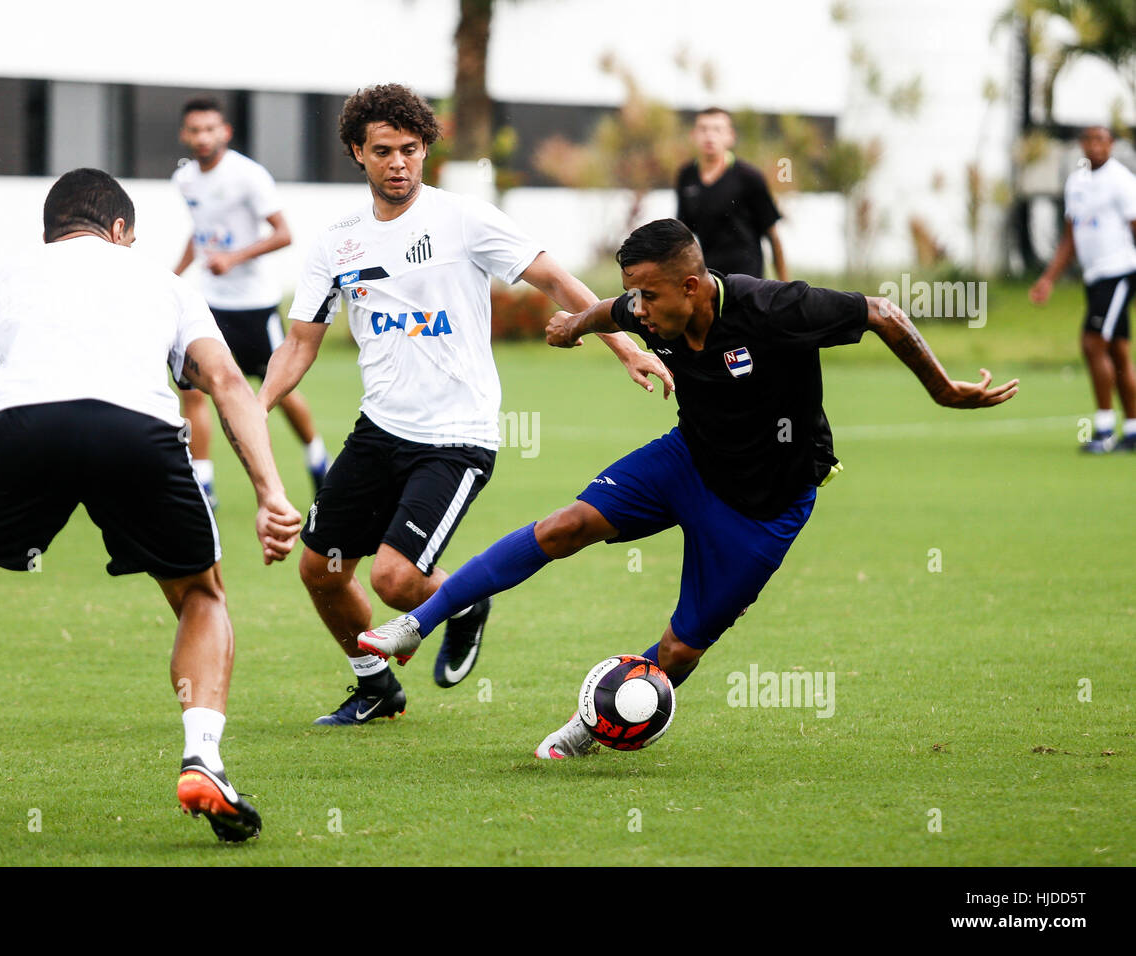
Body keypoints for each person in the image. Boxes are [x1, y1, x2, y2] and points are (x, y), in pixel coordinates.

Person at [359, 218, 1018, 757]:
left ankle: (594, 724)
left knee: (678, 651)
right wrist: (574, 326)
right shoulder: (650, 309)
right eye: (634, 297)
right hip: (687, 462)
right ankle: (420, 621)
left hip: (763, 509)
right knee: (565, 525)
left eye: (649, 296)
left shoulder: (772, 308)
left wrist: (943, 389)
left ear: (695, 287)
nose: (639, 310)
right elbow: (607, 311)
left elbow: (881, 311)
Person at [0, 168, 301, 843]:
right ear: (120, 232)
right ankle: (203, 759)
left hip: (22, 429)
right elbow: (226, 381)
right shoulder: (162, 281)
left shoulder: (9, 273)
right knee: (202, 595)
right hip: (135, 432)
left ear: (50, 232)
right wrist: (271, 493)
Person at [259, 83, 672, 725]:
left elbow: (558, 280)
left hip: (456, 436)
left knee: (394, 581)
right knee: (321, 570)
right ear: (356, 154)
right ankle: (376, 687)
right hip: (379, 430)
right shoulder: (336, 242)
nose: (399, 162)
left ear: (426, 151)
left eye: (411, 149)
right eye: (383, 151)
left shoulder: (463, 219)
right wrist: (254, 407)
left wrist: (625, 348)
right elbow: (299, 343)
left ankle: (464, 601)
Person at [172, 97, 330, 504]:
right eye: (195, 130)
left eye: (211, 129)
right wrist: (173, 277)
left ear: (224, 132)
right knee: (192, 390)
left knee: (279, 390)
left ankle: (316, 456)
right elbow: (200, 231)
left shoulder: (248, 175)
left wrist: (234, 257)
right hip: (209, 305)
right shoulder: (186, 179)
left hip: (254, 306)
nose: (202, 137)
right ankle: (203, 484)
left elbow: (284, 233)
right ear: (184, 135)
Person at [1030, 125, 1136, 453]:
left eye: (1102, 140)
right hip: (1093, 277)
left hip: (1119, 272)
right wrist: (1048, 278)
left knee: (1092, 344)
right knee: (1117, 352)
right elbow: (1070, 238)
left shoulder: (1122, 181)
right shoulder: (1076, 183)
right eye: (1089, 139)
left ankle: (1104, 430)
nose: (1095, 145)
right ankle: (1132, 431)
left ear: (1111, 145)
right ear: (1081, 144)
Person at [675, 107, 788, 281]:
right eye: (704, 129)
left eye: (717, 130)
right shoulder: (686, 176)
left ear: (731, 137)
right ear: (693, 135)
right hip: (708, 280)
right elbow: (683, 235)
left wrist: (785, 288)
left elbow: (773, 236)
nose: (710, 136)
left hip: (747, 280)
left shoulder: (750, 177)